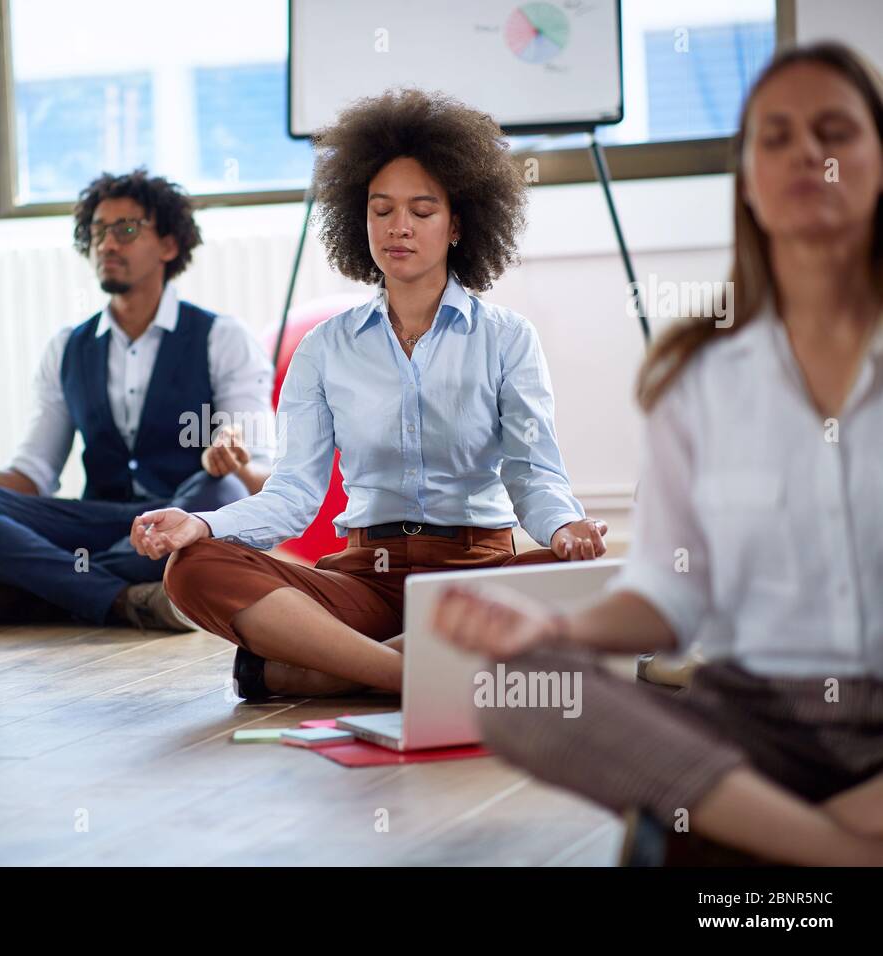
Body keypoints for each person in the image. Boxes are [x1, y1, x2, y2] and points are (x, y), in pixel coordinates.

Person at [434, 43, 883, 867]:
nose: (807, 155)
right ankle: (836, 852)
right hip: (752, 722)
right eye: (775, 137)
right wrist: (555, 626)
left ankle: (743, 835)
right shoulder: (695, 377)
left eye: (835, 131)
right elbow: (670, 593)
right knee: (521, 689)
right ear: (747, 178)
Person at [131, 89, 605, 700]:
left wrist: (564, 528)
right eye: (381, 210)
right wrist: (200, 523)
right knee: (195, 567)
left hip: (479, 575)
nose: (398, 227)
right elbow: (295, 494)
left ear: (458, 223)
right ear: (361, 220)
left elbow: (531, 472)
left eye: (422, 210)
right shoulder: (324, 349)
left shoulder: (508, 338)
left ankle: (306, 671)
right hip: (364, 584)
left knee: (603, 580)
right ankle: (410, 674)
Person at [0, 169, 273, 631]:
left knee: (222, 496)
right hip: (96, 523)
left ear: (168, 245)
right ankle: (121, 595)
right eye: (97, 232)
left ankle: (45, 588)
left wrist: (231, 461)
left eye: (126, 230)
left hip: (181, 515)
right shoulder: (68, 346)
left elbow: (257, 487)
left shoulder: (221, 338)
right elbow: (31, 480)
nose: (106, 244)